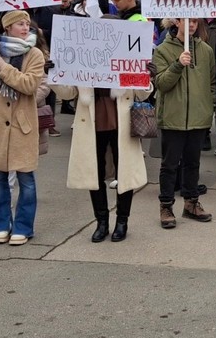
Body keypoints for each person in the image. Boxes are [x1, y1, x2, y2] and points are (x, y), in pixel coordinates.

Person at [56, 46, 151, 243]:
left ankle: (122, 221)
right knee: (94, 172)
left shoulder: (127, 59)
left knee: (124, 172)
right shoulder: (84, 57)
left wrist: (147, 76)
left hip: (121, 122)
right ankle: (101, 221)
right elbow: (66, 93)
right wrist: (54, 72)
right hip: (92, 121)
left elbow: (142, 95)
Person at [0, 11, 45, 246]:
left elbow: (29, 84)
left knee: (26, 179)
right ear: (7, 28)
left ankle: (24, 227)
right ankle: (1, 225)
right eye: (19, 24)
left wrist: (2, 67)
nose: (25, 28)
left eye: (27, 23)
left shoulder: (34, 53)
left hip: (20, 123)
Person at [152, 18, 216, 229]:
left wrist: (209, 104)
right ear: (176, 22)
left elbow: (213, 81)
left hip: (199, 117)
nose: (191, 26)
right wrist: (178, 64)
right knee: (170, 165)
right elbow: (161, 83)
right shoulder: (162, 50)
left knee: (193, 163)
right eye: (186, 21)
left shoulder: (206, 50)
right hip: (173, 117)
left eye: (195, 22)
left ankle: (191, 203)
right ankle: (166, 205)